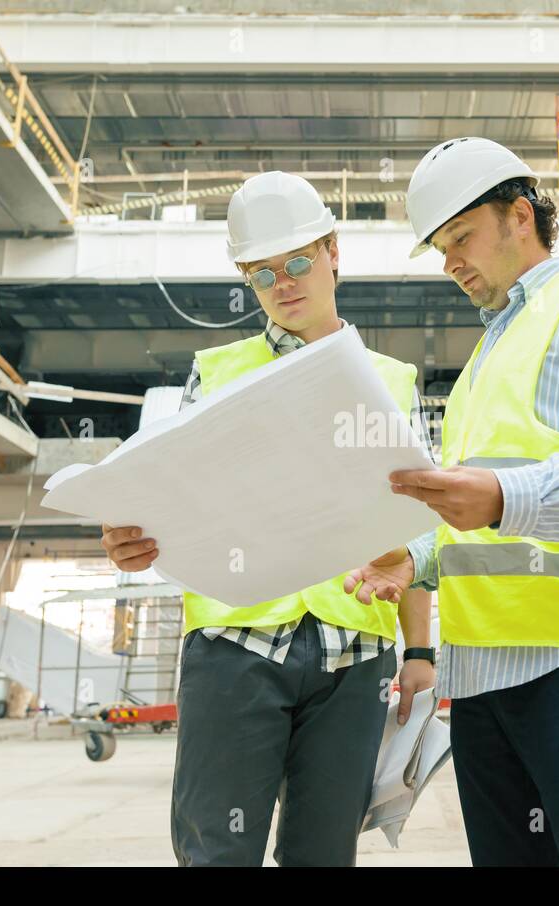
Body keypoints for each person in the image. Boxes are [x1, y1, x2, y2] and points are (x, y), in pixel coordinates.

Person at [345, 137, 559, 866]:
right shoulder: (484, 360)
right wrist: (417, 558)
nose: (450, 263)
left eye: (461, 238)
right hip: (483, 677)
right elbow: (484, 513)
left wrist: (504, 496)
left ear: (520, 215)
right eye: (440, 247)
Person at [102, 171, 435, 866]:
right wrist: (129, 532)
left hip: (355, 654)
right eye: (260, 274)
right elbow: (167, 490)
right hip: (235, 647)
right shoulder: (216, 372)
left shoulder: (393, 380)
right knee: (217, 852)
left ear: (332, 251)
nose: (283, 284)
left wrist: (421, 653)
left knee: (323, 855)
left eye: (296, 263)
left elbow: (415, 530)